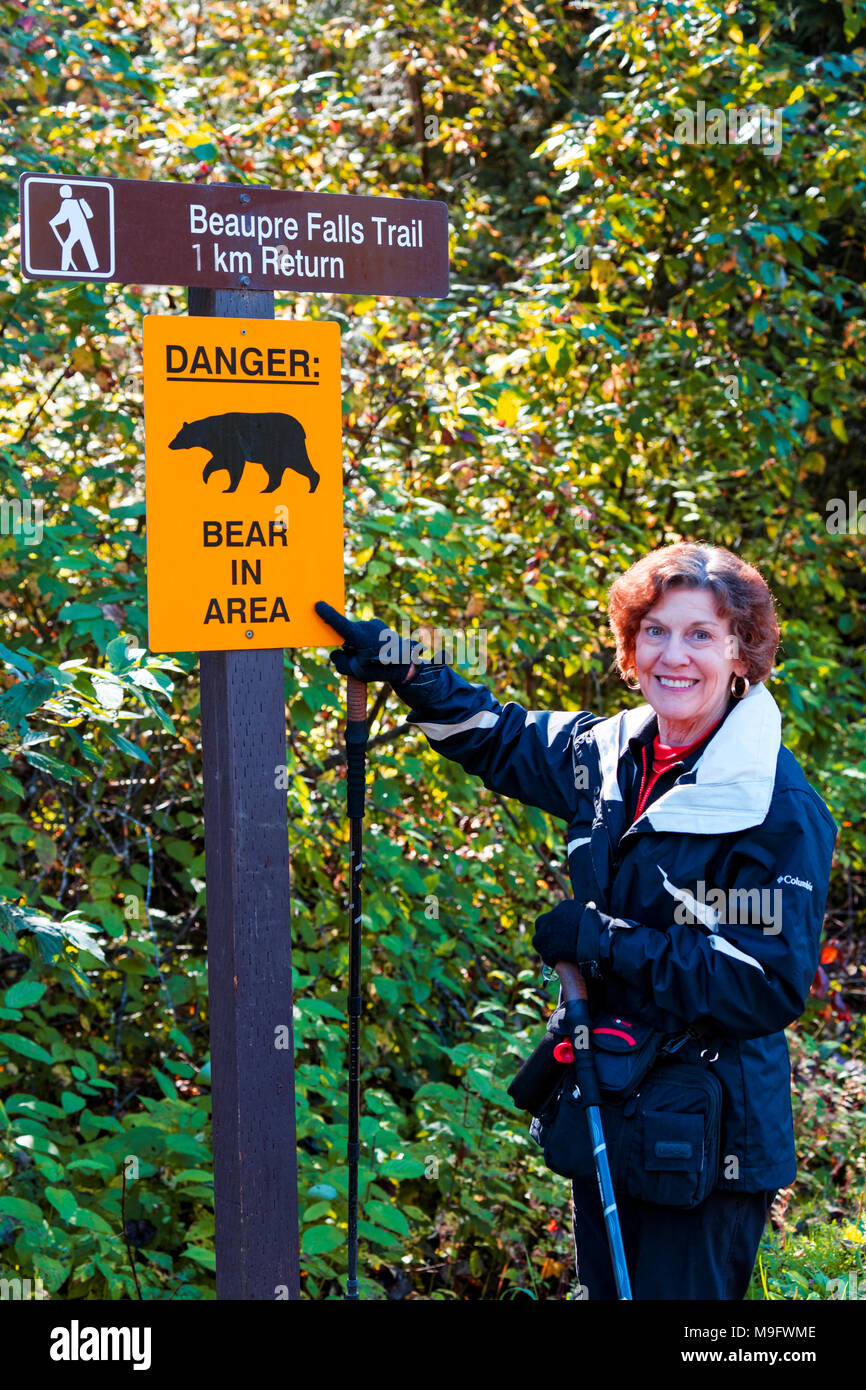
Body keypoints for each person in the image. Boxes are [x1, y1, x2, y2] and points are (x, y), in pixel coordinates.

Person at [315, 541, 837, 1300]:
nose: (674, 655)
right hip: (614, 1101)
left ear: (742, 652)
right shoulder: (615, 753)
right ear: (631, 648)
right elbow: (503, 739)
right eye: (655, 631)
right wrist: (408, 668)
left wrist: (609, 945)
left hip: (709, 1137)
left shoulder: (771, 805)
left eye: (700, 634)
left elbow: (768, 982)